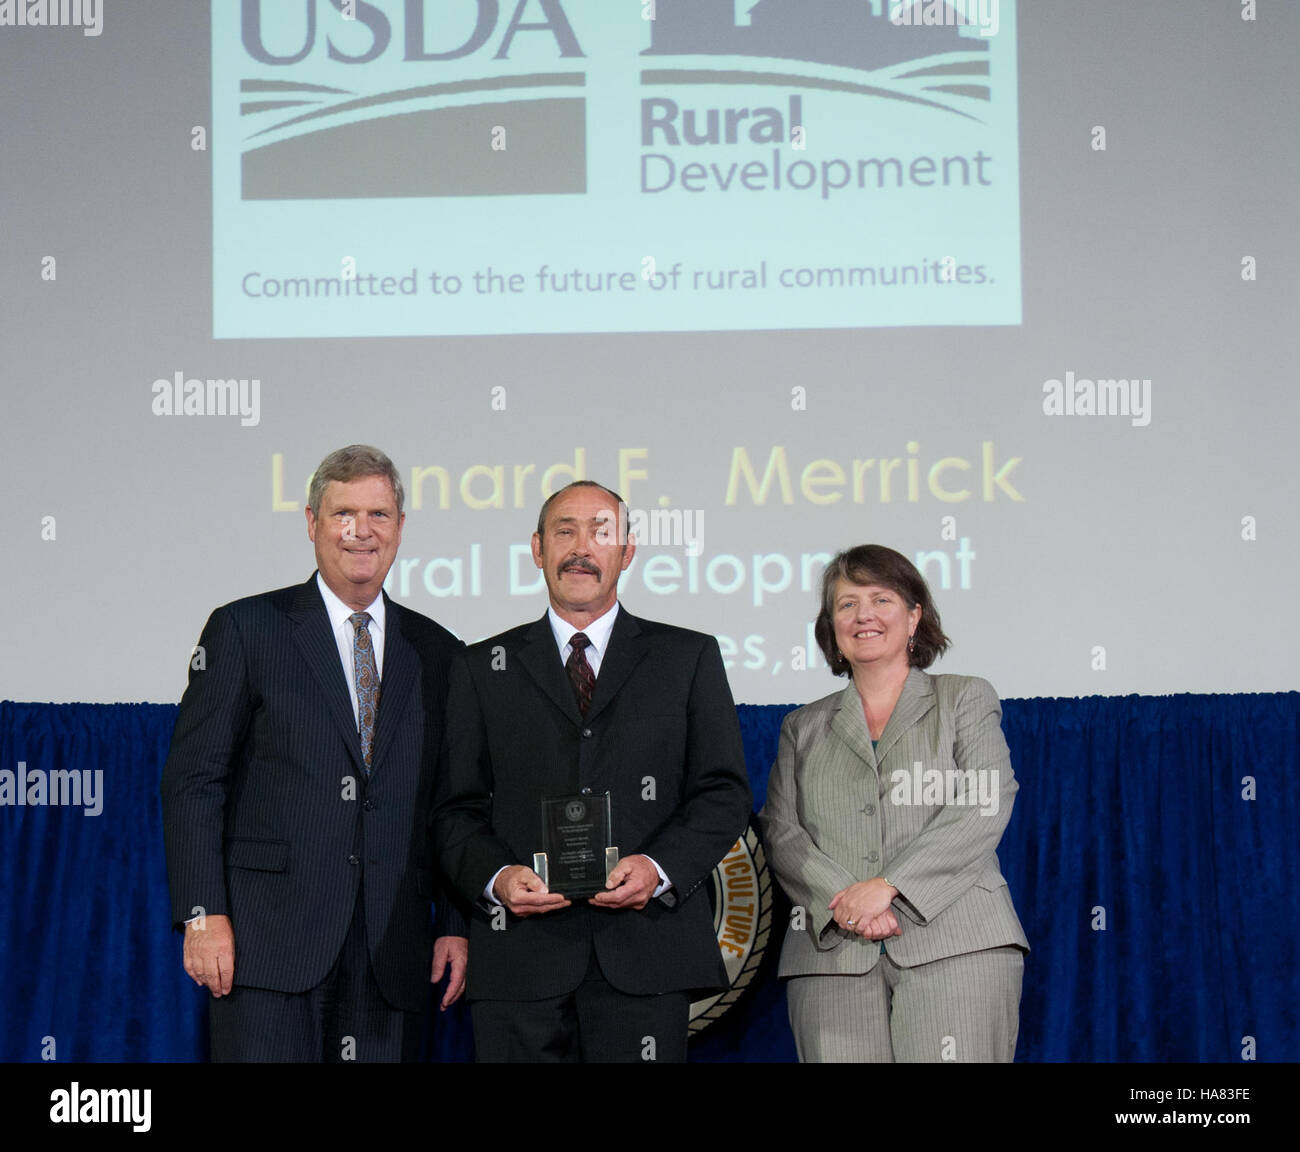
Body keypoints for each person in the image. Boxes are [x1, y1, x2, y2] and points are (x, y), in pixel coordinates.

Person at [161, 444, 467, 1062]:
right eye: (343, 514)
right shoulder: (247, 629)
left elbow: (451, 800)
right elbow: (194, 781)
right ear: (311, 523)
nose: (362, 531)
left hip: (392, 952)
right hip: (266, 946)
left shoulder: (439, 650)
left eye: (378, 515)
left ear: (400, 529)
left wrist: (456, 923)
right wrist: (202, 914)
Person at [435, 480, 751, 1063]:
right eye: (564, 531)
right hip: (519, 963)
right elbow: (456, 809)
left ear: (627, 553)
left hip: (645, 956)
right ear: (537, 548)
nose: (582, 548)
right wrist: (498, 878)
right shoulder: (482, 667)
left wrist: (658, 868)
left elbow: (723, 792)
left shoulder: (687, 657)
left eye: (600, 532)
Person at [759, 544, 1028, 1062]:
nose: (863, 615)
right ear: (831, 627)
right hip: (832, 958)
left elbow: (986, 801)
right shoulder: (801, 726)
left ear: (914, 618)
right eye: (846, 604)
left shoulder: (964, 697)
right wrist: (848, 901)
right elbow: (782, 832)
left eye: (881, 599)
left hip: (958, 947)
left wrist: (889, 888)